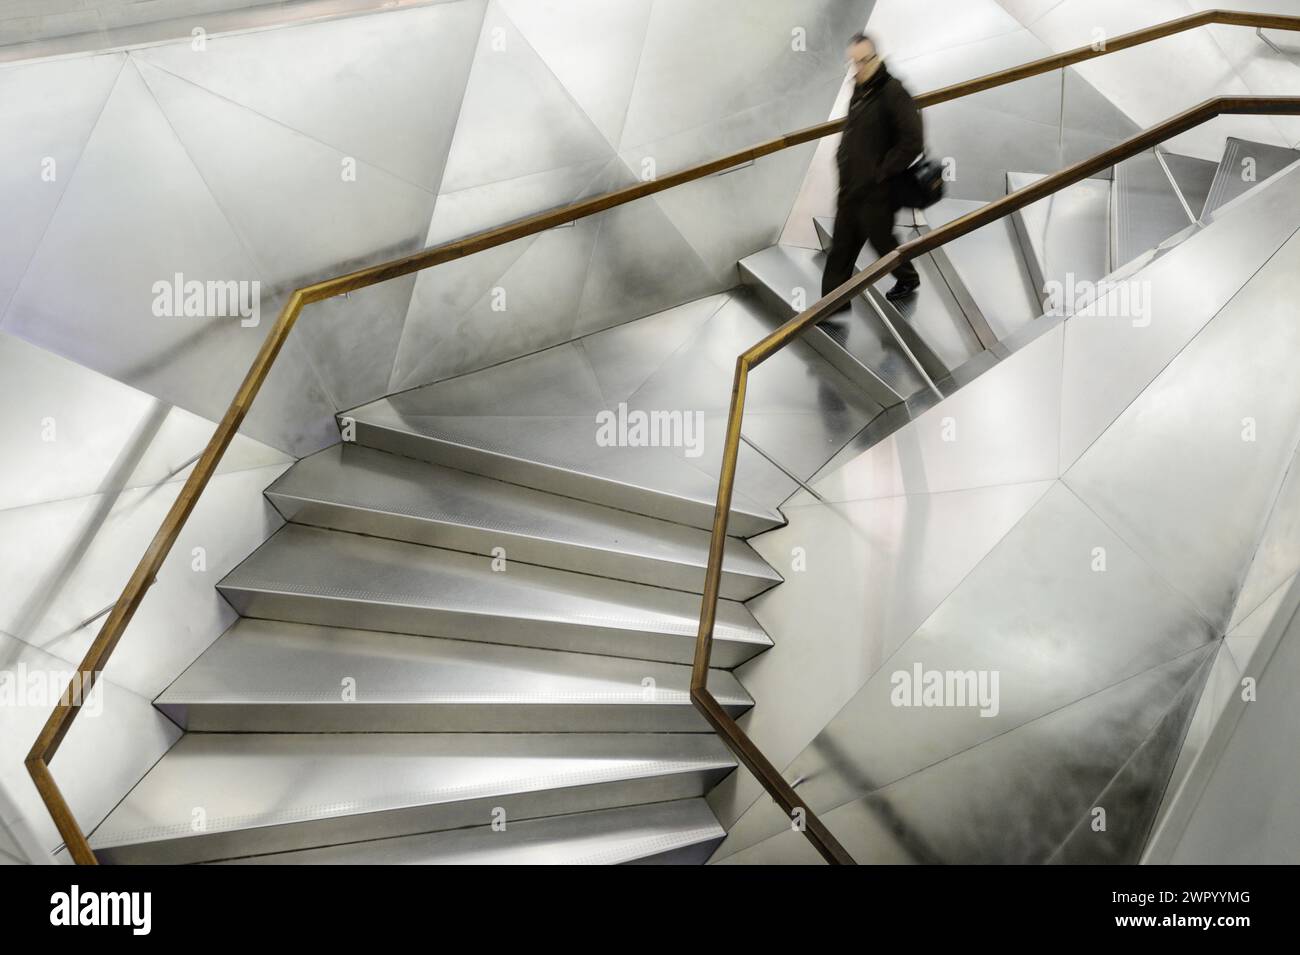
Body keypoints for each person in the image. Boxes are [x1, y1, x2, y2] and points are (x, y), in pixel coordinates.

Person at [822, 32, 923, 312]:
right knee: (841, 248)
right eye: (853, 63)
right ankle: (832, 309)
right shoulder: (860, 88)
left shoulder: (893, 92)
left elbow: (913, 141)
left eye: (863, 61)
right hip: (850, 187)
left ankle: (908, 277)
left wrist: (882, 172)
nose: (858, 68)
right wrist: (843, 158)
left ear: (876, 58)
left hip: (876, 191)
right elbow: (853, 129)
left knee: (882, 241)